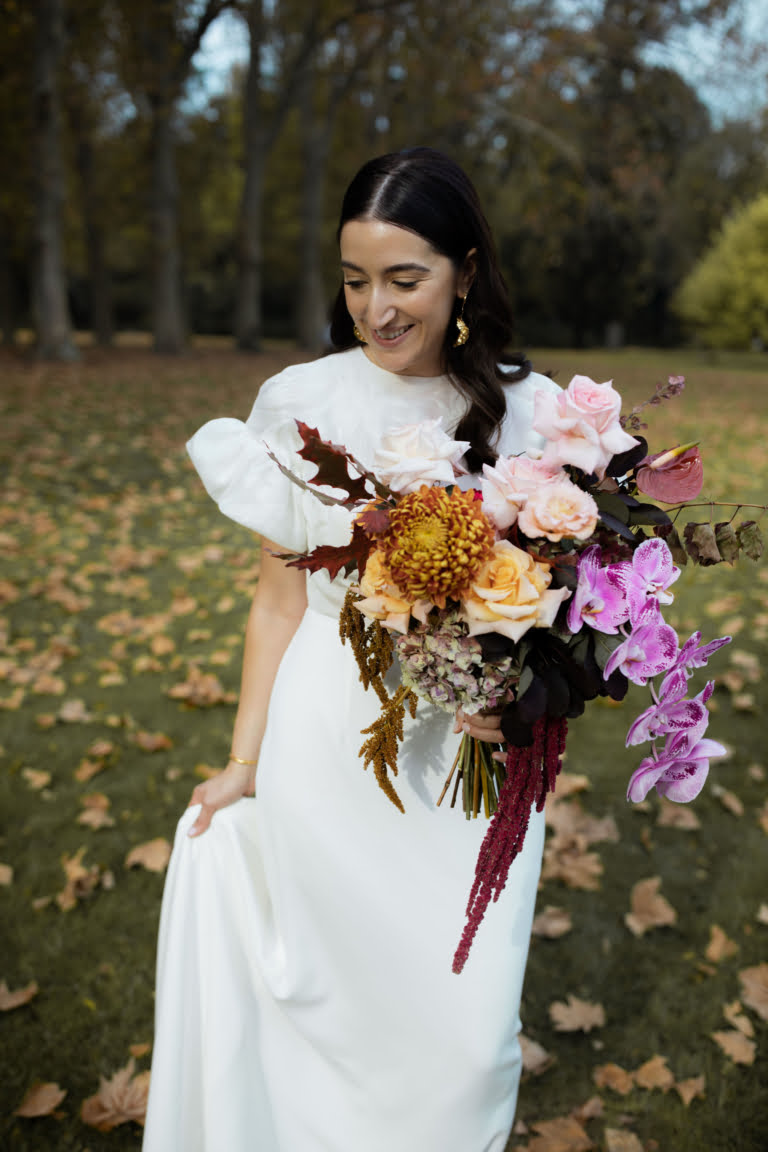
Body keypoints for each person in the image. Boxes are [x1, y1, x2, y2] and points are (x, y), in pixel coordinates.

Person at [142, 147, 561, 1152]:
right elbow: (278, 604)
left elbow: (573, 619)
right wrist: (245, 761)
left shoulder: (541, 415)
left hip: (471, 763)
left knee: (466, 1044)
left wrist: (519, 690)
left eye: (404, 279)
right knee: (328, 1010)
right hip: (332, 739)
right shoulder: (301, 404)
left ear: (464, 269)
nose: (377, 307)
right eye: (355, 278)